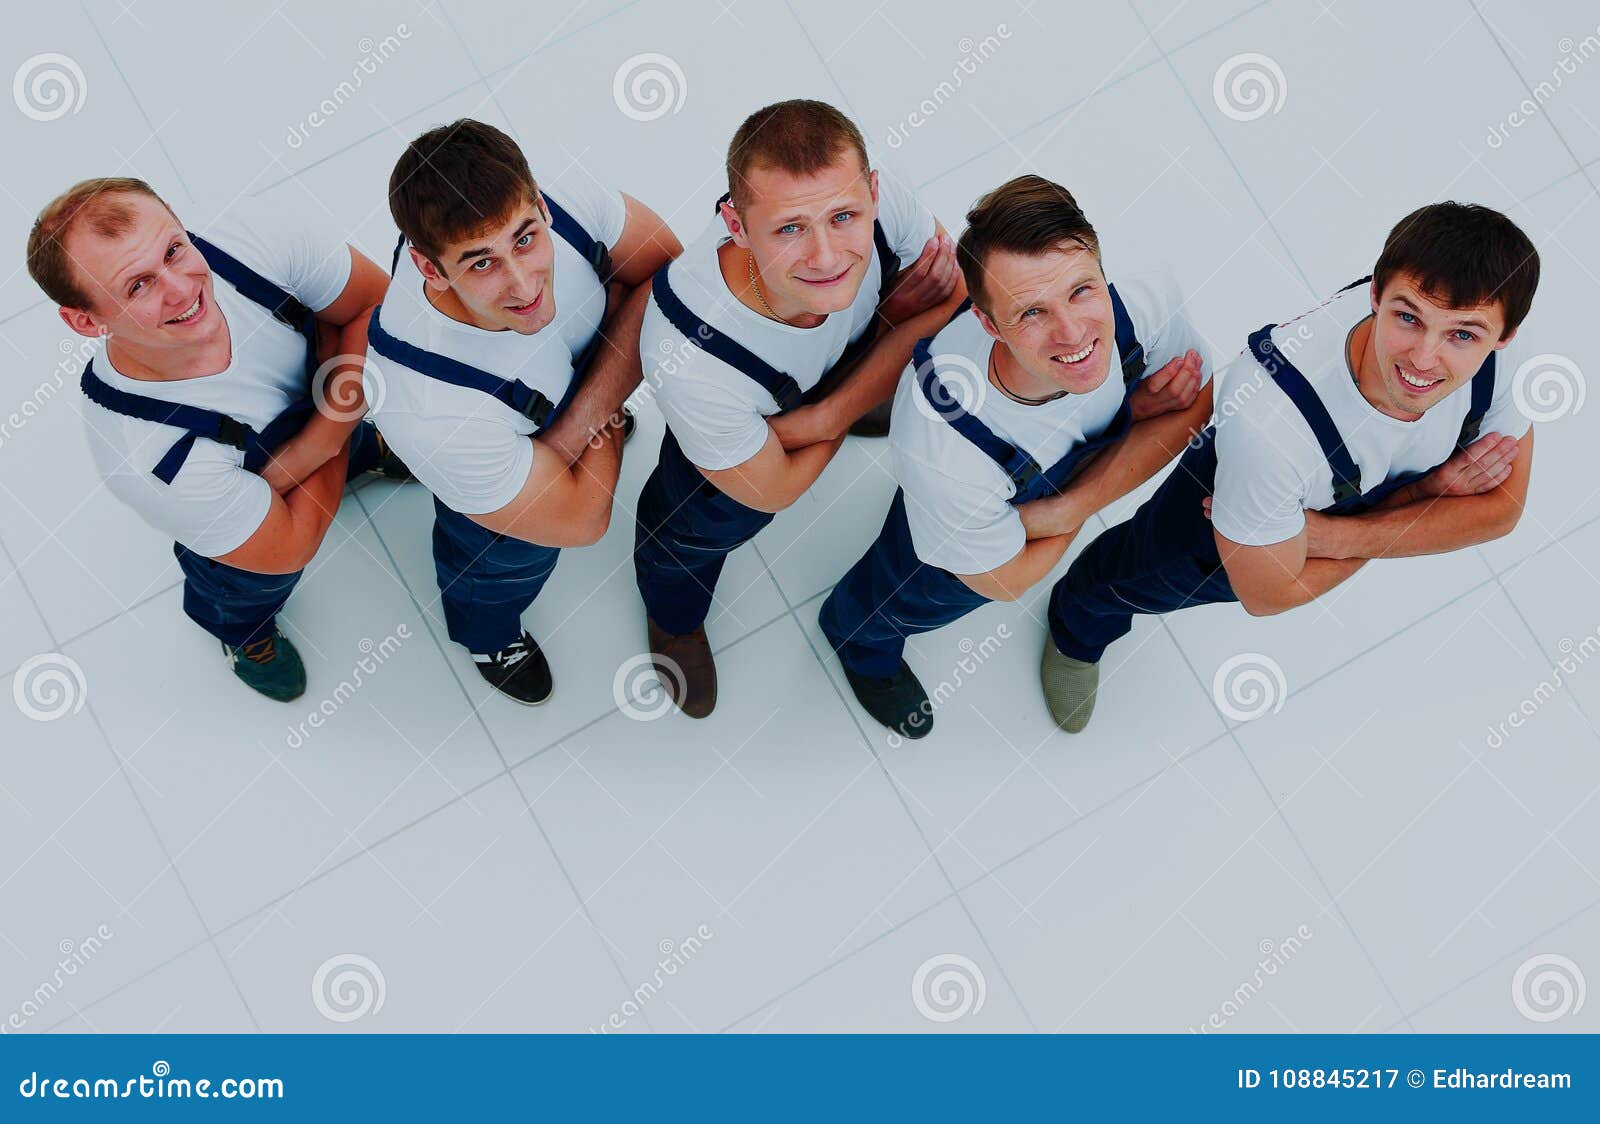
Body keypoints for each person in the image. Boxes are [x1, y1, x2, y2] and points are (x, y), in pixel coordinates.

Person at [1048, 202, 1541, 731]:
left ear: (1503, 336)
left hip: (1315, 514)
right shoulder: (1269, 428)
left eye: (1462, 335)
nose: (1423, 358)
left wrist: (1328, 536)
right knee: (1126, 575)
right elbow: (1269, 595)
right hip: (1227, 506)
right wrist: (1427, 498)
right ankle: (1073, 630)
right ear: (1375, 294)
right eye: (1407, 317)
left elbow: (1503, 511)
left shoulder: (1500, 354)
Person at [819, 175, 1213, 738]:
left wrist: (1066, 507)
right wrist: (1136, 428)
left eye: (1083, 290)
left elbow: (1198, 401)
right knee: (902, 597)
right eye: (1031, 313)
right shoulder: (944, 448)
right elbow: (1005, 581)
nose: (1073, 332)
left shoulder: (1143, 300)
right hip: (956, 525)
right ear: (987, 323)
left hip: (998, 500)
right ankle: (857, 641)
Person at [634, 99, 966, 718]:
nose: (826, 256)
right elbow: (774, 488)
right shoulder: (693, 361)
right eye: (789, 228)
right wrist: (893, 340)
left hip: (808, 393)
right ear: (735, 224)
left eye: (845, 216)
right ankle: (673, 620)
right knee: (685, 541)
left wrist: (823, 414)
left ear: (871, 190)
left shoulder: (883, 202)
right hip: (726, 461)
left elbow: (962, 295)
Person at [26, 178, 407, 701]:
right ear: (86, 321)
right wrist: (340, 387)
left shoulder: (253, 238)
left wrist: (313, 446)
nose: (182, 289)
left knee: (353, 424)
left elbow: (381, 309)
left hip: (294, 441)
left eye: (174, 249)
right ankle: (243, 634)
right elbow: (291, 545)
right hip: (244, 535)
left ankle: (360, 449)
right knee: (246, 587)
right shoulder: (151, 462)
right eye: (137, 286)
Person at [367, 119, 680, 704]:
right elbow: (583, 519)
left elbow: (671, 279)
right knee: (497, 569)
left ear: (539, 204)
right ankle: (487, 637)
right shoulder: (435, 415)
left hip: (515, 436)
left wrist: (572, 434)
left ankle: (378, 453)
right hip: (474, 461)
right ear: (429, 268)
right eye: (480, 264)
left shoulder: (561, 191)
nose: (522, 282)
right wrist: (615, 358)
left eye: (526, 238)